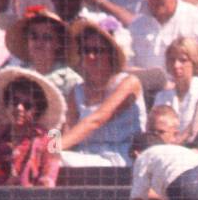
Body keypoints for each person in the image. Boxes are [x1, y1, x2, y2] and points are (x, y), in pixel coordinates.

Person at [58, 18, 146, 167]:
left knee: (53, 160)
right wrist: (45, 146)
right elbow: (67, 130)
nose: (90, 56)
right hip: (84, 155)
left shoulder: (129, 83)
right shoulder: (76, 91)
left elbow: (96, 120)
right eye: (86, 50)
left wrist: (52, 149)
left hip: (120, 158)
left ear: (111, 54)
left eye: (97, 50)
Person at [0, 67, 65, 187]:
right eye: (15, 102)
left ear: (37, 110)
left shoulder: (52, 139)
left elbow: (49, 177)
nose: (19, 108)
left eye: (27, 105)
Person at [0, 5, 82, 104]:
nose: (39, 42)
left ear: (58, 43)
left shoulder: (70, 80)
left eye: (47, 37)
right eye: (34, 36)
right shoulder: (16, 74)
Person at [152, 36, 198, 146]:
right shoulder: (161, 96)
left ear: (194, 62)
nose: (176, 65)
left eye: (183, 60)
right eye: (172, 60)